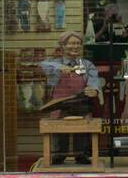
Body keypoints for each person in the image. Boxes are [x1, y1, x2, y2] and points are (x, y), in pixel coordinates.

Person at [39, 31, 102, 165]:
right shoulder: (54, 63)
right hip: (59, 103)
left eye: (78, 43)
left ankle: (81, 155)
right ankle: (58, 155)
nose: (75, 46)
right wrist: (59, 67)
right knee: (59, 130)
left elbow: (94, 79)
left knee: (82, 130)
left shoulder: (86, 64)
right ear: (63, 46)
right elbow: (43, 65)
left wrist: (93, 89)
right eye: (71, 43)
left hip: (81, 103)